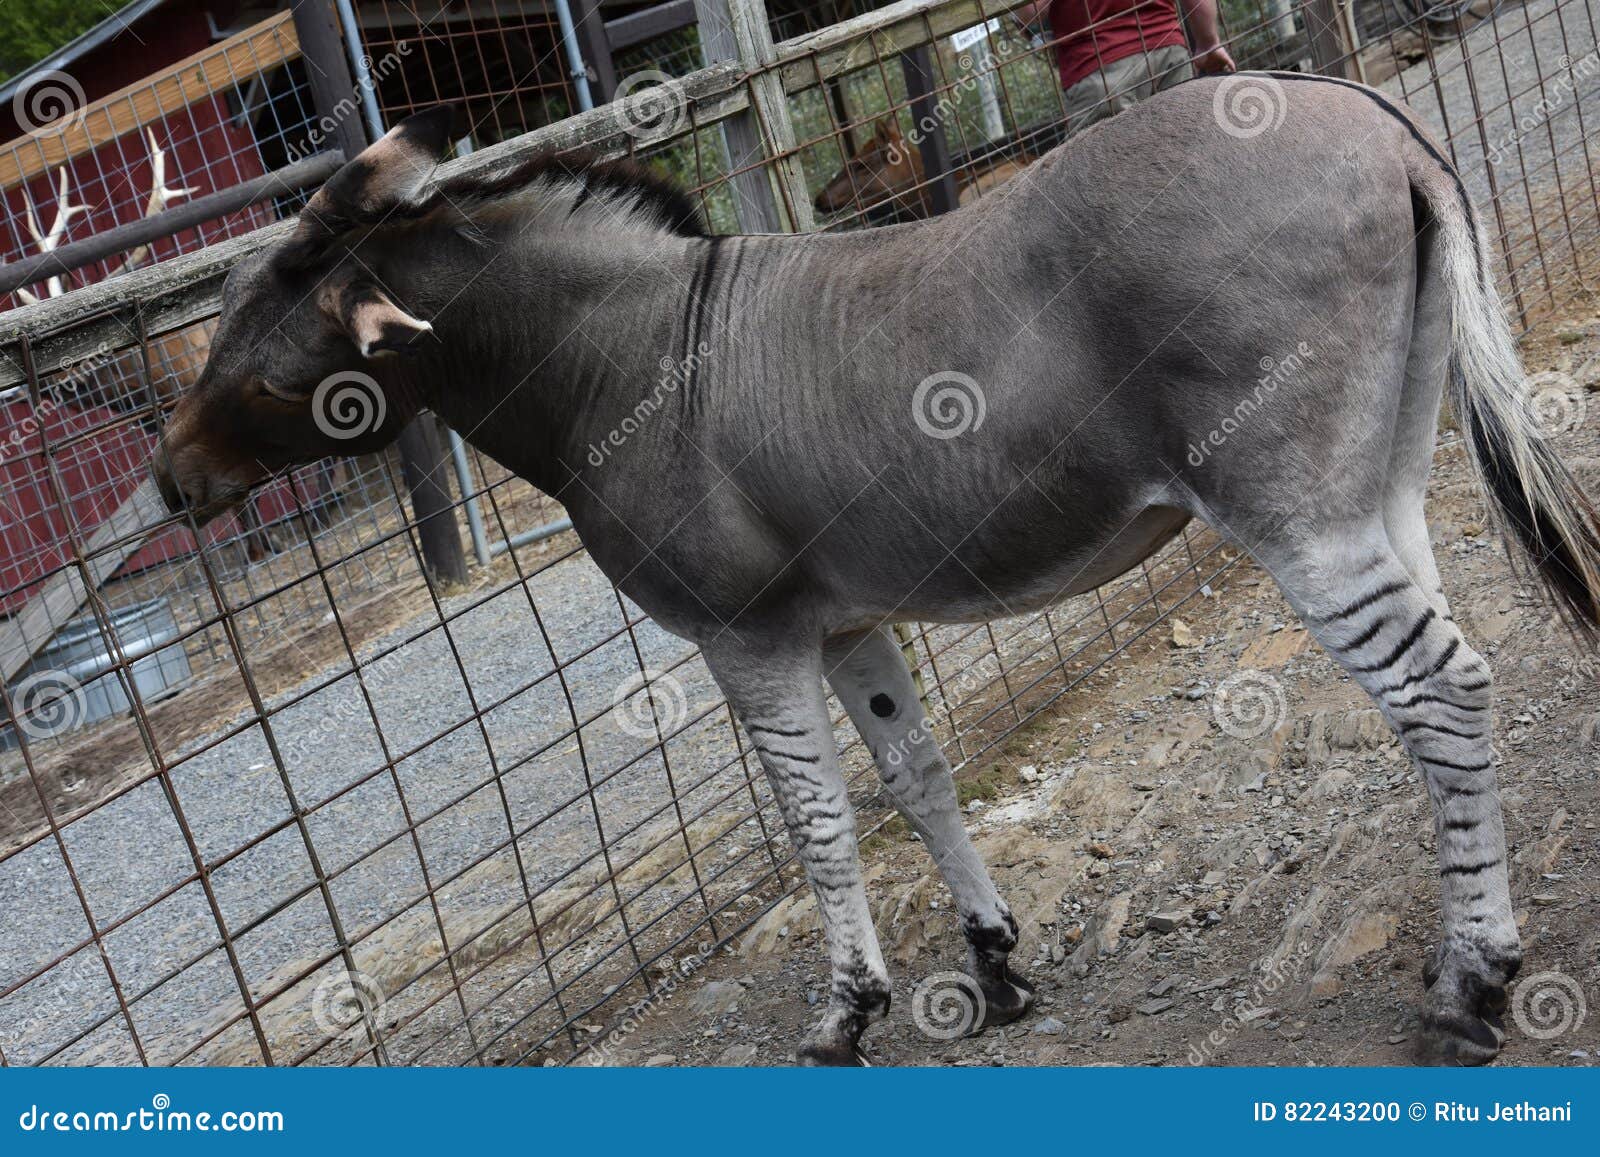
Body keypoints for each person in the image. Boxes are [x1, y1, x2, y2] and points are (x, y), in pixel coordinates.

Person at [1014, 0, 1237, 134]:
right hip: (1169, 53)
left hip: (1099, 73)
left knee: (1109, 188)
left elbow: (1030, 14)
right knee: (1188, 164)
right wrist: (1209, 43)